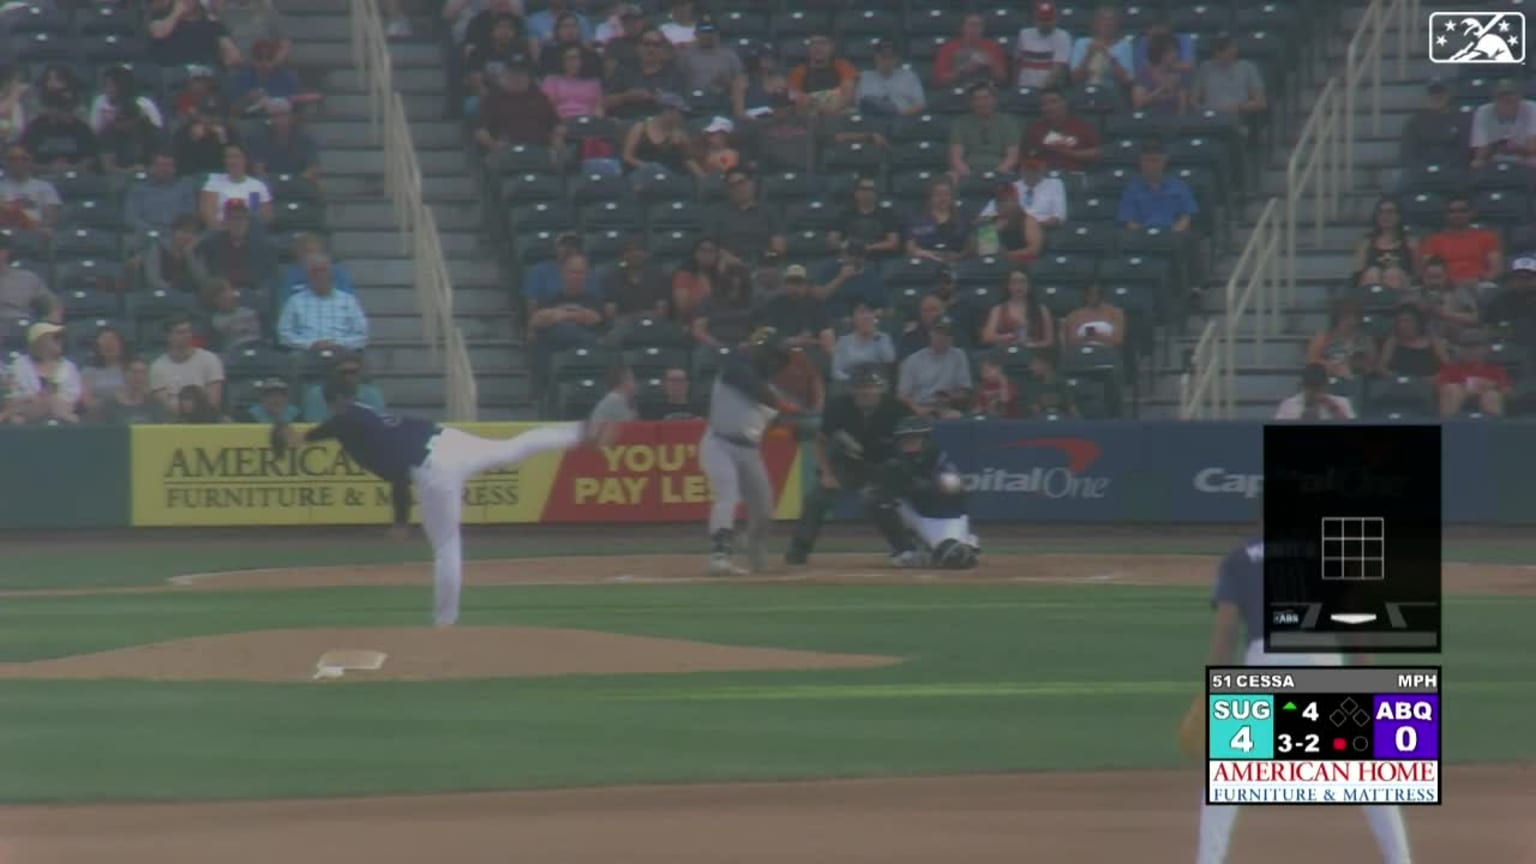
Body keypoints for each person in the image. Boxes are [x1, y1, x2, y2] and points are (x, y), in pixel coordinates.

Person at [276, 381, 614, 625]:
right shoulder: (361, 414)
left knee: (447, 545)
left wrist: (400, 521)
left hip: (435, 467)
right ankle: (578, 432)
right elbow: (326, 430)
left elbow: (394, 475)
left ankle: (445, 623)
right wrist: (296, 436)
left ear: (330, 402)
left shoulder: (348, 427)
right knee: (510, 450)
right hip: (448, 439)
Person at [1190, 537, 1414, 862]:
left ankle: (1208, 860)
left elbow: (1226, 630)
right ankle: (1400, 859)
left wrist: (1212, 691)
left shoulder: (1239, 559)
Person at [785, 366, 912, 566]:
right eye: (861, 387)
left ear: (881, 389)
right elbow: (820, 442)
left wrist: (899, 471)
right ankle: (799, 549)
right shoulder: (838, 407)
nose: (866, 392)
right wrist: (827, 474)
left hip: (885, 465)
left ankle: (904, 548)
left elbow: (914, 442)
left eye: (871, 387)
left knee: (875, 498)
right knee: (816, 498)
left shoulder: (897, 409)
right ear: (852, 389)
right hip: (848, 464)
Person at [697, 328, 799, 575]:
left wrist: (799, 421)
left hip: (749, 451)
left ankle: (753, 544)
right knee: (727, 494)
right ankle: (720, 555)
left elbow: (780, 421)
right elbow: (752, 386)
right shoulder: (734, 365)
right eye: (771, 356)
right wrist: (782, 405)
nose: (774, 362)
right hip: (719, 444)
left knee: (764, 510)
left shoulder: (771, 390)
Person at [876, 416, 980, 569]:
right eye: (905, 439)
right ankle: (905, 549)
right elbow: (883, 491)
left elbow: (957, 488)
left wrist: (931, 486)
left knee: (953, 555)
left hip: (945, 518)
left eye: (915, 438)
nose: (910, 443)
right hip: (916, 513)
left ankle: (967, 540)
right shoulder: (895, 463)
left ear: (926, 440)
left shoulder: (939, 460)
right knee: (875, 498)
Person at [277, 254, 369, 351]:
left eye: (323, 270)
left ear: (331, 273)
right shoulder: (295, 301)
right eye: (315, 271)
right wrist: (309, 344)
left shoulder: (348, 300)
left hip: (340, 352)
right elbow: (284, 334)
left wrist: (338, 344)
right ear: (308, 275)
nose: (319, 275)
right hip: (306, 352)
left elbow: (362, 335)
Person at [1417, 193, 1502, 296]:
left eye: (1463, 211)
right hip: (1445, 288)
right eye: (1452, 211)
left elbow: (1496, 269)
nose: (1457, 215)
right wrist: (1449, 283)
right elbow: (1426, 271)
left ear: (1472, 213)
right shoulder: (1433, 240)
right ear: (1446, 215)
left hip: (1479, 285)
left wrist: (1480, 280)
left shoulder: (1487, 237)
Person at [474, 62, 564, 156]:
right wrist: (493, 144)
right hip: (505, 151)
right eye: (513, 74)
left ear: (528, 77)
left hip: (539, 149)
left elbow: (557, 125)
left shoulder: (540, 98)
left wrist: (557, 137)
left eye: (521, 74)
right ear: (503, 77)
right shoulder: (492, 99)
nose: (517, 78)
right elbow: (480, 131)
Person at [6, 322, 85, 424]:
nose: (60, 341)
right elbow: (17, 398)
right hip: (28, 417)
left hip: (61, 416)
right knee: (16, 419)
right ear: (40, 340)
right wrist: (41, 402)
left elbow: (71, 401)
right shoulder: (20, 365)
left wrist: (49, 402)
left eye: (61, 337)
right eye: (56, 337)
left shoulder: (69, 367)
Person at [897, 316, 972, 417]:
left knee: (956, 417)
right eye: (938, 333)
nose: (942, 337)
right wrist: (917, 408)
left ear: (952, 338)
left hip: (947, 408)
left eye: (946, 334)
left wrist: (951, 396)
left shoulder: (959, 356)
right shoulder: (914, 359)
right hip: (920, 408)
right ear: (931, 333)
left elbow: (965, 392)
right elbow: (902, 395)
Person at [149, 316, 226, 412]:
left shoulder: (210, 359)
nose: (187, 336)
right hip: (173, 419)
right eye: (180, 332)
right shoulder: (157, 367)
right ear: (168, 337)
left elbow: (213, 401)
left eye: (189, 331)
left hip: (206, 417)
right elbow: (163, 405)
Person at [605, 28, 683, 121]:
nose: (651, 49)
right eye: (646, 44)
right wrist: (625, 97)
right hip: (626, 121)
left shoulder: (673, 73)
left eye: (656, 45)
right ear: (637, 48)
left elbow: (681, 103)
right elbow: (605, 101)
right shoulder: (623, 70)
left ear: (663, 49)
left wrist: (654, 97)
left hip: (659, 122)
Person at [1118, 140, 1197, 232]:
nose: (1151, 165)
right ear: (1140, 162)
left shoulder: (1179, 187)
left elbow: (1186, 218)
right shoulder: (1131, 190)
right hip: (1141, 237)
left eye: (1155, 160)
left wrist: (1173, 233)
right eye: (1147, 160)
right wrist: (1145, 235)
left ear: (1164, 161)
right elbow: (1129, 222)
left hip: (1173, 235)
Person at [711, 169, 786, 265]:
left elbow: (778, 248)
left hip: (763, 264)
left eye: (741, 182)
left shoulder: (769, 212)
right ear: (728, 190)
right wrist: (728, 258)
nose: (738, 188)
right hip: (728, 264)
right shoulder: (717, 213)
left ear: (752, 184)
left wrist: (765, 261)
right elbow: (709, 245)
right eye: (732, 186)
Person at [948, 82, 1022, 180]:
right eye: (976, 99)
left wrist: (996, 174)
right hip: (968, 171)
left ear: (995, 100)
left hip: (1001, 170)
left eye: (986, 98)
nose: (982, 103)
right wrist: (968, 175)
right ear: (971, 103)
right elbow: (956, 157)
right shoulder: (960, 123)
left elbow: (1012, 156)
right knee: (949, 178)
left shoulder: (1008, 122)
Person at [755, 265, 835, 353]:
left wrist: (809, 342)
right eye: (791, 283)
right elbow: (767, 336)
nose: (795, 287)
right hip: (781, 354)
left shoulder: (816, 306)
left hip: (811, 353)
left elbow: (827, 338)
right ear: (785, 285)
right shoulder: (774, 305)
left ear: (806, 285)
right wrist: (793, 341)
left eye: (799, 283)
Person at [621, 94, 700, 181]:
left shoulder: (679, 134)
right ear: (667, 111)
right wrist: (650, 168)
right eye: (680, 113)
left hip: (667, 178)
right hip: (640, 174)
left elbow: (688, 159)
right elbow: (627, 157)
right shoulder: (641, 127)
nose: (682, 118)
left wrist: (702, 177)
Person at [1192, 36, 1266, 129]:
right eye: (1222, 50)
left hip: (1237, 118)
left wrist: (1239, 107)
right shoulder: (1205, 68)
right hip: (1209, 118)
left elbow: (1260, 102)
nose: (1228, 53)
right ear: (1216, 52)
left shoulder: (1248, 68)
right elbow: (1193, 101)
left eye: (1231, 48)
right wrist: (1203, 110)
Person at [1021, 87, 1101, 173]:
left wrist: (1071, 153)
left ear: (1065, 103)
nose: (1049, 107)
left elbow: (1096, 153)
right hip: (1044, 175)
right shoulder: (1035, 129)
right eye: (1044, 104)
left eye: (1054, 102)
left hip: (1074, 174)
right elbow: (1026, 157)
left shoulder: (1081, 126)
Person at [979, 150, 1067, 227]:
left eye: (1034, 168)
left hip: (1040, 227)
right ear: (1021, 168)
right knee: (987, 226)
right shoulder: (1011, 186)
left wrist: (1032, 225)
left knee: (1029, 224)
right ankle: (987, 241)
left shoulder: (1054, 184)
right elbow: (986, 214)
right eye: (1027, 167)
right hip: (1011, 227)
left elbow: (1058, 217)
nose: (1030, 171)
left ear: (1043, 167)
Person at [1436, 329, 1511, 417]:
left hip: (1487, 402)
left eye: (1476, 347)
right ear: (1459, 349)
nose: (1471, 351)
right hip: (1457, 400)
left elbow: (1509, 392)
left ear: (1485, 349)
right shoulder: (1451, 369)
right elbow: (1440, 389)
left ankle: (1492, 425)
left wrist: (1493, 385)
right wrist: (1466, 389)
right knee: (1452, 390)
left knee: (1492, 395)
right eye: (1466, 347)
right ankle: (1448, 424)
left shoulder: (1494, 370)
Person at [1400, 81, 1470, 171]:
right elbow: (1408, 150)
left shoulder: (1460, 119)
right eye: (1432, 93)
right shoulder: (1415, 121)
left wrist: (1446, 167)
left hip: (1453, 170)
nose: (1436, 97)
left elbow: (1463, 149)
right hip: (1420, 171)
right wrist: (1422, 168)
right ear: (1427, 97)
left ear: (1448, 95)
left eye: (1440, 93)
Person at [19, 92, 98, 172]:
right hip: (42, 176)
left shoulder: (82, 128)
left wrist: (74, 168)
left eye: (71, 109)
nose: (70, 113)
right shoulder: (35, 128)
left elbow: (91, 158)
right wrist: (48, 168)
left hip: (75, 175)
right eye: (65, 109)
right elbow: (22, 160)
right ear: (52, 109)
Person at [149, 0, 241, 68]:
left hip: (203, 73)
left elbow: (234, 57)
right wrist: (176, 14)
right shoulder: (162, 17)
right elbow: (158, 34)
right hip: (172, 72)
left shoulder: (211, 23)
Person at [1470, 78, 1536, 170]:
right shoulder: (1483, 111)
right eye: (1502, 97)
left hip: (1524, 156)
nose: (1506, 100)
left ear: (1519, 97)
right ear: (1494, 99)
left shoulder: (1531, 108)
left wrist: (1516, 148)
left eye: (1511, 96)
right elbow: (1479, 152)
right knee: (1476, 164)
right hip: (1494, 156)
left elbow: (1533, 148)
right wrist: (1497, 147)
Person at [245, 102, 320, 183]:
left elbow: (313, 167)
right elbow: (258, 169)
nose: (280, 119)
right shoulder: (258, 138)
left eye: (284, 115)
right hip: (269, 183)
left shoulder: (305, 138)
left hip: (299, 182)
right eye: (275, 115)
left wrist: (298, 181)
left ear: (292, 117)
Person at [201, 144, 274, 227]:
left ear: (245, 159)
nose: (232, 161)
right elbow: (208, 215)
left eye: (236, 157)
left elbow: (264, 216)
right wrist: (223, 229)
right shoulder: (213, 183)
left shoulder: (257, 186)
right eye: (229, 157)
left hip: (249, 230)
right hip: (220, 230)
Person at [814, 240, 888, 322]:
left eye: (859, 254)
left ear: (864, 257)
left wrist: (876, 313)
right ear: (843, 254)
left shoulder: (871, 275)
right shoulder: (830, 268)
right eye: (850, 254)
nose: (854, 258)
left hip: (863, 321)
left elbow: (887, 308)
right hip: (834, 321)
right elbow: (818, 297)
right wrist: (841, 278)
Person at [602, 235, 670, 323]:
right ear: (623, 255)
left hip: (652, 325)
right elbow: (611, 315)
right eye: (630, 250)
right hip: (623, 327)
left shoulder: (659, 277)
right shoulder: (612, 279)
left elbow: (661, 313)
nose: (635, 254)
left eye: (639, 250)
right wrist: (638, 318)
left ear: (647, 254)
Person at [125, 151, 197, 233]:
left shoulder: (184, 188)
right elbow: (130, 218)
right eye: (159, 165)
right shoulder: (138, 188)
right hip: (144, 234)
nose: (163, 169)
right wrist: (152, 231)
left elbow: (189, 217)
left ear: (175, 169)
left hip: (175, 234)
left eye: (168, 165)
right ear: (151, 168)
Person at [829, 176, 902, 256]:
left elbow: (893, 243)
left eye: (871, 189)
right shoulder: (845, 214)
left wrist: (868, 248)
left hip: (879, 257)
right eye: (863, 189)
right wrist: (847, 246)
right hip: (849, 256)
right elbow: (832, 240)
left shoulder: (887, 214)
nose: (867, 193)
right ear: (856, 193)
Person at [1353, 199, 1417, 292]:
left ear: (1399, 216)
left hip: (1402, 287)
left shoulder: (1410, 242)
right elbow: (1357, 274)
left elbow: (1417, 274)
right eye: (1381, 212)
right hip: (1371, 283)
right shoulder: (1366, 242)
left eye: (1390, 212)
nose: (1385, 216)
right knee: (1372, 272)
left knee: (1393, 274)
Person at [1305, 298, 1376, 380]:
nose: (1351, 322)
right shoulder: (1323, 338)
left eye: (1355, 317)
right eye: (1346, 318)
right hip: (1328, 381)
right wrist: (1331, 367)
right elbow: (1311, 361)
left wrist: (1356, 366)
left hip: (1358, 382)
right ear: (1338, 318)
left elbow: (1372, 365)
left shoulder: (1366, 340)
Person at [787, 33, 858, 117]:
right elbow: (796, 98)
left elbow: (847, 96)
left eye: (823, 43)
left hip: (839, 115)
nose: (818, 48)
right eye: (813, 43)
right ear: (808, 47)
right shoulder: (797, 72)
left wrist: (828, 111)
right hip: (810, 117)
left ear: (832, 46)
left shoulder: (844, 66)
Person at [301, 351, 385, 421]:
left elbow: (378, 422)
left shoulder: (371, 394)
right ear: (333, 372)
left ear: (360, 373)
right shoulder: (316, 394)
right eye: (343, 372)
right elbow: (314, 423)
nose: (348, 376)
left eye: (353, 372)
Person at [982, 269, 1053, 350]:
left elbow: (1049, 341)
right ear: (1008, 286)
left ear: (1029, 285)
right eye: (1014, 282)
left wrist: (1033, 345)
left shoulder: (1042, 309)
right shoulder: (998, 309)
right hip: (1005, 351)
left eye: (1023, 282)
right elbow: (987, 337)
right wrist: (1006, 337)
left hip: (1033, 352)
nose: (1019, 286)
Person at [0, 233, 59, 330]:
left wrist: (52, 318)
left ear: (5, 252)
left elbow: (52, 304)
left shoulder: (27, 278)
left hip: (21, 329)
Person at [1068, 4, 1133, 91]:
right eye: (1104, 20)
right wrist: (1088, 55)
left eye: (1111, 20)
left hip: (1113, 93)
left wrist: (1108, 55)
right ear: (1095, 24)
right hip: (1085, 91)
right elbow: (1075, 79)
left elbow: (1127, 80)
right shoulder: (1081, 43)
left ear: (1117, 25)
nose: (1108, 23)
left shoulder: (1124, 46)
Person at [906, 179, 972, 263]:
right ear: (930, 197)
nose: (942, 198)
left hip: (956, 263)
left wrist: (960, 256)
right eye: (938, 195)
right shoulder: (916, 218)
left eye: (947, 194)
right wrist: (922, 253)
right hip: (925, 262)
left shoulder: (963, 218)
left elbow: (970, 247)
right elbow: (910, 247)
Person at [934, 14, 1009, 88]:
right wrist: (963, 70)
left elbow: (1002, 78)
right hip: (957, 88)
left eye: (978, 25)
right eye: (971, 25)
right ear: (962, 27)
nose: (975, 29)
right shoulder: (948, 48)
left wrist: (991, 63)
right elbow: (940, 79)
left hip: (984, 89)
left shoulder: (992, 47)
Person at [856, 40, 926, 118]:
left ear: (897, 58)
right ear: (876, 57)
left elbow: (920, 105)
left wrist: (898, 114)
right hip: (872, 120)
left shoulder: (909, 76)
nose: (887, 61)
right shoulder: (865, 77)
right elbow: (858, 105)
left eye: (891, 57)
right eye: (883, 57)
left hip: (903, 119)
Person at [0, 145, 62, 232]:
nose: (19, 162)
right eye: (13, 159)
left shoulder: (45, 187)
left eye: (24, 159)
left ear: (30, 161)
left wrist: (36, 226)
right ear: (6, 163)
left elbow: (51, 217)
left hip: (35, 232)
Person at [676, 17, 743, 99]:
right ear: (696, 34)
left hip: (723, 99)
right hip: (693, 100)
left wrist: (728, 83)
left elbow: (740, 81)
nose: (708, 36)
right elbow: (678, 81)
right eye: (704, 32)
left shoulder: (730, 56)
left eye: (711, 32)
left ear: (718, 34)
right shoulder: (685, 56)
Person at [142, 213, 207, 295]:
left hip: (191, 297)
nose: (188, 236)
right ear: (174, 231)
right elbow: (153, 279)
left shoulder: (197, 252)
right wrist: (171, 291)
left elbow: (202, 280)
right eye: (184, 231)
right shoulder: (158, 249)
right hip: (161, 295)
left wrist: (189, 255)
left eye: (193, 233)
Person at [831, 302, 897, 383]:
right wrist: (853, 380)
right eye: (862, 312)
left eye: (870, 312)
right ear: (853, 318)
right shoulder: (843, 341)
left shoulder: (882, 338)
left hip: (877, 384)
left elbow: (890, 362)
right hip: (851, 384)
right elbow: (836, 371)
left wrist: (875, 336)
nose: (866, 316)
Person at [1377, 305, 1448, 379]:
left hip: (1429, 382)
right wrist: (1396, 377)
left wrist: (1432, 379)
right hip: (1400, 382)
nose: (1402, 325)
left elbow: (1446, 365)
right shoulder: (1392, 342)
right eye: (1399, 321)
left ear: (1417, 322)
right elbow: (1381, 367)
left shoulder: (1433, 341)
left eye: (1407, 321)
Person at [979, 183, 1044, 263]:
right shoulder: (991, 221)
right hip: (996, 265)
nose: (1000, 204)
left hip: (1023, 264)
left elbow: (1034, 250)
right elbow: (986, 251)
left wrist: (1007, 256)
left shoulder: (1028, 220)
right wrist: (994, 232)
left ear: (1015, 200)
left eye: (1005, 200)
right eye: (998, 201)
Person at [90, 66, 166, 134]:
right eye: (107, 84)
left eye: (113, 84)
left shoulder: (144, 104)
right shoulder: (100, 102)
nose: (109, 89)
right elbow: (94, 131)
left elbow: (157, 130)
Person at [1014, 1, 1072, 89]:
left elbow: (1058, 69)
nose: (1045, 23)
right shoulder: (1024, 34)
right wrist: (1016, 87)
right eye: (1042, 19)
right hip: (1024, 87)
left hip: (1049, 88)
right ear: (1035, 20)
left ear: (1055, 19)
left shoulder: (1063, 36)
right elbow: (1017, 63)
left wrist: (1043, 89)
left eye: (1048, 19)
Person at [92, 357, 166, 425]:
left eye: (143, 373)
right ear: (124, 374)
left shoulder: (155, 404)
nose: (139, 377)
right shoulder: (109, 405)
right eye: (134, 372)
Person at [542, 44, 606, 120]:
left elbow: (599, 108)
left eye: (576, 58)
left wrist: (597, 123)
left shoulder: (594, 83)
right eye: (569, 59)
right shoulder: (552, 81)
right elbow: (548, 107)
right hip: (562, 121)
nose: (573, 62)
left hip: (588, 122)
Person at [99, 100, 163, 175]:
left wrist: (145, 170)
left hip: (147, 176)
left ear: (135, 120)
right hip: (118, 178)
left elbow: (158, 165)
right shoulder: (108, 133)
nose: (116, 122)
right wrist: (130, 171)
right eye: (116, 118)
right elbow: (108, 168)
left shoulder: (150, 132)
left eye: (121, 119)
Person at [1273, 363, 1356, 420]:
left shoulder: (1341, 402)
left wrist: (1332, 406)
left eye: (1318, 388)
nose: (1314, 392)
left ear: (1325, 385)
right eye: (1310, 387)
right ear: (1303, 385)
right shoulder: (1289, 405)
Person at [1131, 33, 1189, 115]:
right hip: (1150, 120)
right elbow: (1138, 104)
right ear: (1161, 53)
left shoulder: (1178, 77)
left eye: (1176, 51)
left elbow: (1182, 110)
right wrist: (1161, 90)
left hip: (1173, 121)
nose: (1176, 55)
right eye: (1172, 51)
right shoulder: (1144, 76)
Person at [537, 14, 604, 79]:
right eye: (565, 26)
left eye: (574, 26)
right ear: (557, 30)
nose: (570, 29)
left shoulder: (588, 52)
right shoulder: (548, 52)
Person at [81, 326, 131, 409]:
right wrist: (112, 404)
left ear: (120, 345)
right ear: (98, 348)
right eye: (105, 344)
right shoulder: (88, 372)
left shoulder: (131, 369)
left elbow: (141, 396)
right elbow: (87, 401)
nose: (109, 347)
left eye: (113, 343)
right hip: (99, 413)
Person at [1062, 283, 1125, 349]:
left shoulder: (1115, 313)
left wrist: (1095, 336)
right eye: (1091, 294)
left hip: (1107, 351)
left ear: (1102, 296)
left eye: (1098, 294)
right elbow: (1071, 342)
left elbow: (1118, 340)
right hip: (1081, 351)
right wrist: (1091, 337)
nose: (1095, 297)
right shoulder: (1074, 316)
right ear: (1086, 296)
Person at [208, 281, 263, 351]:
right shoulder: (217, 320)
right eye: (224, 299)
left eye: (230, 293)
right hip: (236, 350)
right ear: (215, 301)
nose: (231, 297)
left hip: (259, 345)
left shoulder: (249, 308)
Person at [971, 353, 1019, 418]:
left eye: (988, 371)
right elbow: (978, 408)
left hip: (1008, 420)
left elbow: (1005, 400)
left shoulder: (1010, 384)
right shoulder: (983, 387)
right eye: (983, 372)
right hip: (989, 419)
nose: (986, 375)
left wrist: (1003, 382)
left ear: (999, 369)